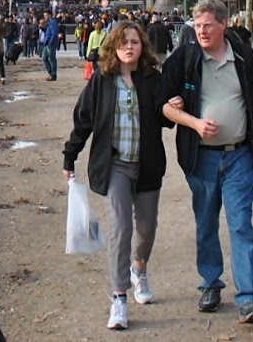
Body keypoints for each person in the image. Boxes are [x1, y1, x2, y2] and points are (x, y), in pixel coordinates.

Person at [159, 0, 253, 325]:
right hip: (201, 158)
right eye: (197, 26)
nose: (201, 31)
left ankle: (249, 297)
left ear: (223, 25)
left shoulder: (244, 56)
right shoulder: (184, 59)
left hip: (239, 153)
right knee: (206, 225)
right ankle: (210, 283)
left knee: (241, 224)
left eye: (207, 25)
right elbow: (164, 106)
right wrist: (194, 122)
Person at [63, 19, 168, 331]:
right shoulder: (103, 80)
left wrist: (176, 106)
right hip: (115, 166)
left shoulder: (152, 79)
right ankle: (119, 297)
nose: (129, 48)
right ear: (114, 47)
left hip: (147, 164)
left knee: (146, 229)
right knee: (121, 228)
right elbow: (83, 119)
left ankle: (140, 268)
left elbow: (167, 116)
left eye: (134, 42)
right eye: (124, 43)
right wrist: (70, 155)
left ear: (142, 46)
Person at [41, 12, 61, 81]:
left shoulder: (53, 22)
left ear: (49, 15)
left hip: (50, 44)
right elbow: (48, 33)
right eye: (44, 15)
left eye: (45, 15)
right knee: (44, 58)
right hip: (47, 43)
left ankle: (53, 75)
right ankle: (51, 73)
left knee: (52, 60)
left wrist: (50, 43)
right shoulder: (49, 23)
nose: (44, 17)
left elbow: (54, 34)